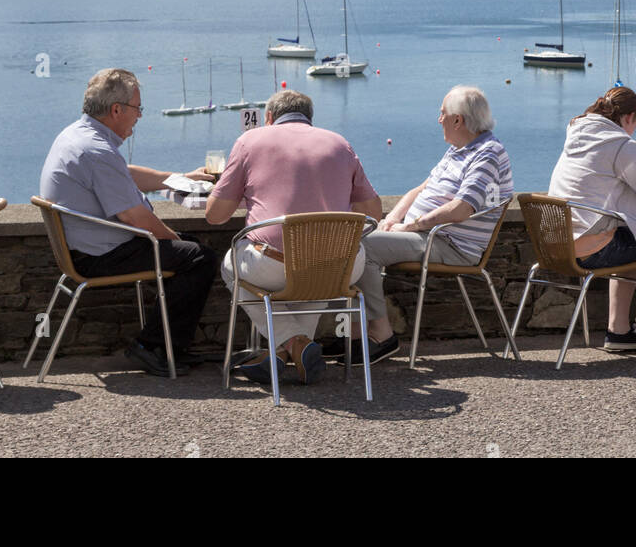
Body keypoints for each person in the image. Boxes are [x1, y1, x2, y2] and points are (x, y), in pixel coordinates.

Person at [39, 68, 217, 377]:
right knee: (200, 257)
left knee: (191, 249)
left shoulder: (80, 136)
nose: (139, 116)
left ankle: (169, 347)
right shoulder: (96, 150)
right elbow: (137, 218)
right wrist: (173, 239)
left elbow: (125, 173)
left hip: (86, 249)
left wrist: (177, 178)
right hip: (100, 257)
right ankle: (151, 346)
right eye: (137, 108)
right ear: (116, 110)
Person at [205, 91, 382, 386]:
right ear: (309, 119)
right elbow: (373, 211)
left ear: (269, 118)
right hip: (341, 266)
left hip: (275, 265)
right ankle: (282, 356)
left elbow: (215, 215)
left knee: (230, 266)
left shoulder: (250, 141)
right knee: (316, 280)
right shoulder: (340, 143)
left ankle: (293, 344)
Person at [333, 86, 512, 365]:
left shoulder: (487, 154)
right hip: (428, 235)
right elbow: (420, 190)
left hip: (450, 244)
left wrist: (411, 227)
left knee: (360, 247)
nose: (438, 119)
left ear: (458, 120)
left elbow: (462, 208)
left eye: (442, 114)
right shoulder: (458, 151)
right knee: (352, 237)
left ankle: (381, 335)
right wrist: (392, 220)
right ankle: (352, 336)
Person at [547, 86, 636, 358]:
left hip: (559, 244)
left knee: (634, 235)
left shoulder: (577, 135)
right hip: (594, 247)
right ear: (629, 117)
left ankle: (619, 331)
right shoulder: (622, 145)